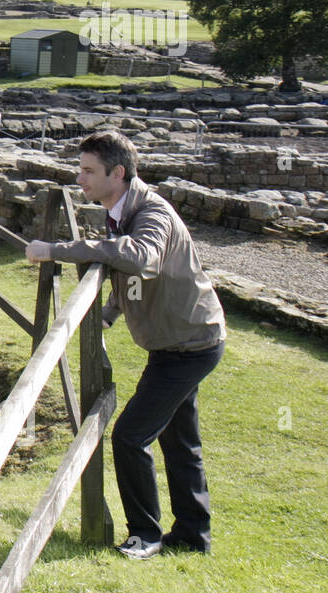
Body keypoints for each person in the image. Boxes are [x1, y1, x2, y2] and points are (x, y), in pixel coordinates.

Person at [24, 130, 226, 559]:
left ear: (118, 173)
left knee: (130, 436)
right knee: (179, 441)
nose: (80, 179)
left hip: (190, 345)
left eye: (88, 171)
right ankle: (193, 536)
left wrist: (56, 249)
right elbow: (125, 269)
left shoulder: (152, 212)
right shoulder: (122, 210)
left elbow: (140, 257)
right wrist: (110, 311)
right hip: (178, 343)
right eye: (80, 170)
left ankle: (145, 536)